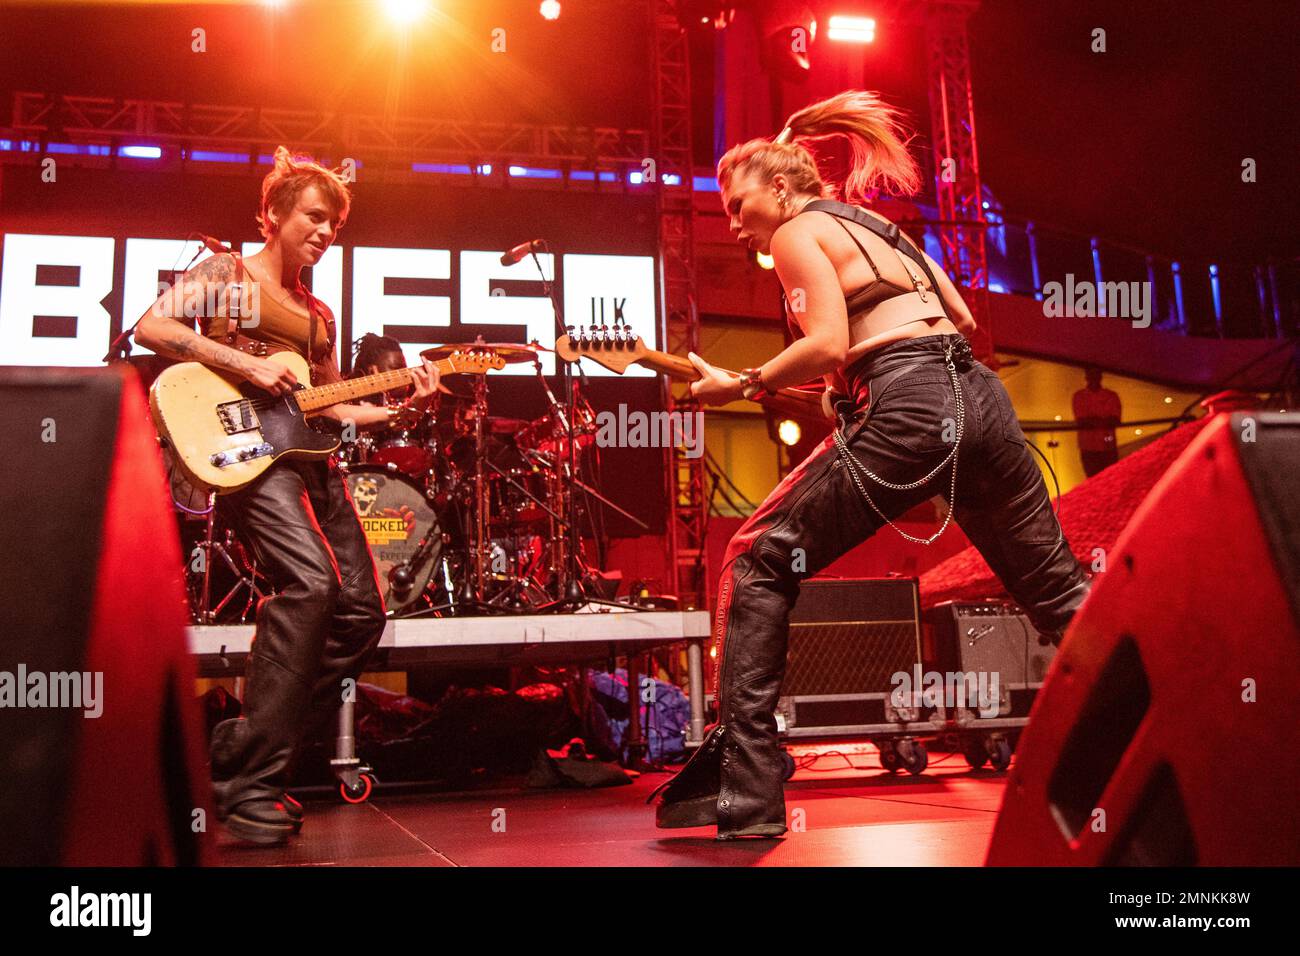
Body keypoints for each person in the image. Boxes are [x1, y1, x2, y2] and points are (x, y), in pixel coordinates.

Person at [652, 91, 1092, 840]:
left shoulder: (795, 232)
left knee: (756, 558)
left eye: (737, 203)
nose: (732, 222)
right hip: (980, 400)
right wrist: (848, 391)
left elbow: (825, 341)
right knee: (1060, 594)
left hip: (915, 404)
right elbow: (958, 319)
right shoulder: (879, 228)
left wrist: (744, 383)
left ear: (781, 189)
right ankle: (1172, 717)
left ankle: (748, 794)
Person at [135, 146, 439, 844]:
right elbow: (153, 327)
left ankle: (241, 752)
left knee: (361, 613)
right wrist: (246, 362)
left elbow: (331, 406)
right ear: (272, 215)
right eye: (314, 216)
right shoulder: (227, 274)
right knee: (309, 586)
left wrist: (402, 406)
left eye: (335, 223)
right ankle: (249, 782)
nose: (326, 231)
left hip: (308, 459)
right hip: (245, 453)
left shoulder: (317, 312)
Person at [1072, 366, 1122, 476]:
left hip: (1106, 446)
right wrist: (1103, 420)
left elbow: (1115, 419)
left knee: (1111, 477)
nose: (1093, 377)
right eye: (1091, 374)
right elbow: (1082, 420)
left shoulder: (1110, 395)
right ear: (1087, 377)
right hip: (1090, 447)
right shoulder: (1079, 396)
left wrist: (1093, 420)